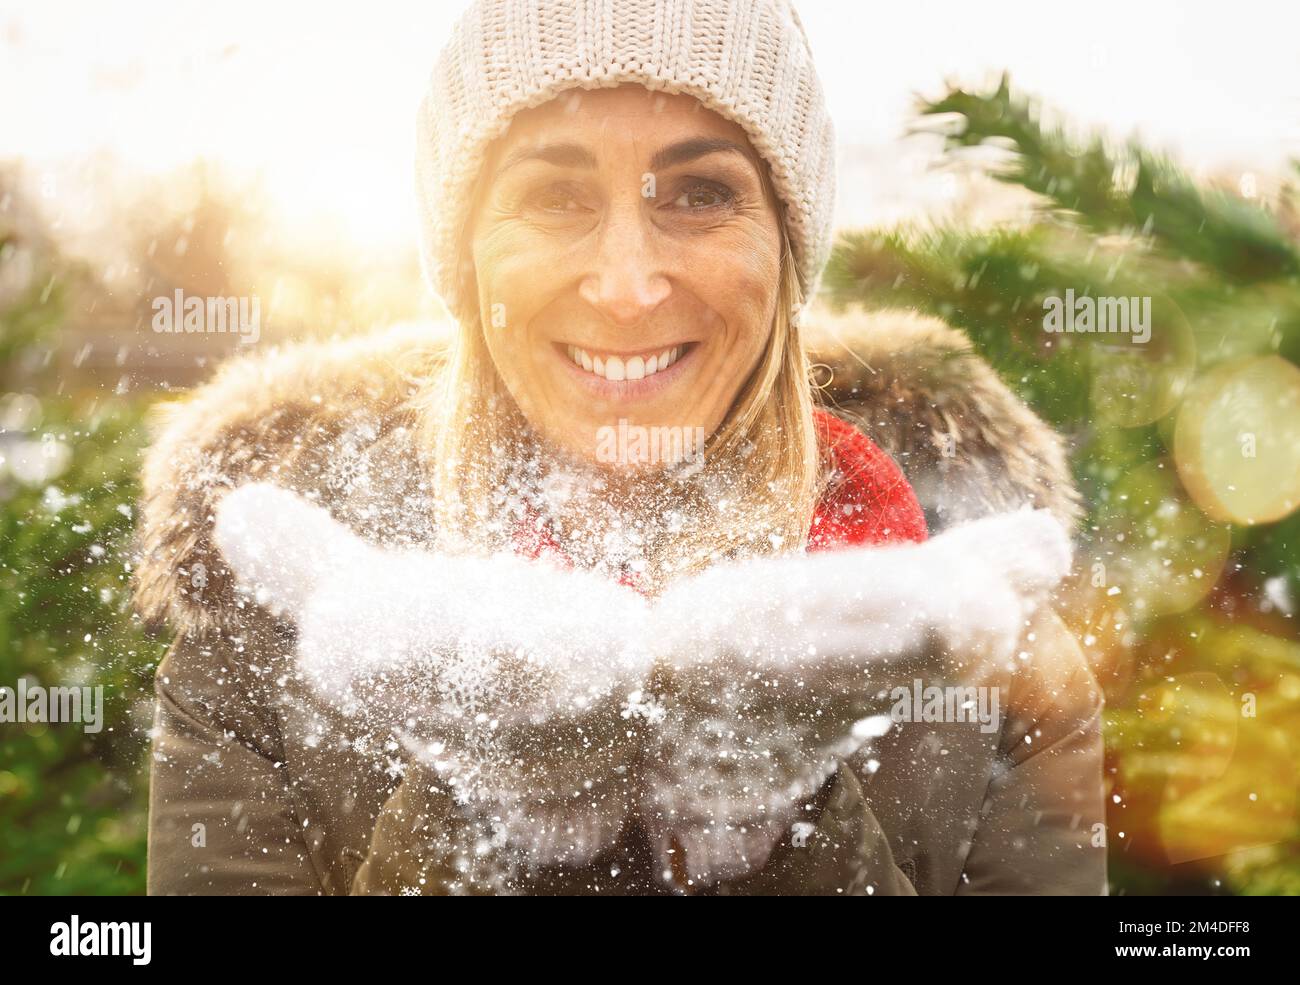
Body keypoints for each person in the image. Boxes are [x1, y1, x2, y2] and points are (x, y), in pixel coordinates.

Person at [136, 0, 1105, 895]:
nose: (627, 284)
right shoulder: (267, 651)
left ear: (786, 246)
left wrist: (783, 823)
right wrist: (479, 806)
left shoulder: (988, 656)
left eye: (698, 195)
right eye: (555, 198)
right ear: (466, 258)